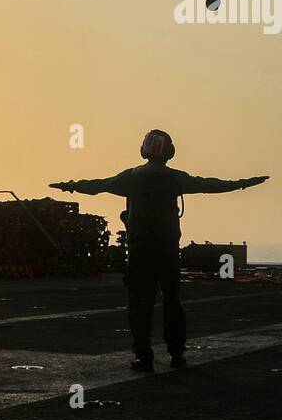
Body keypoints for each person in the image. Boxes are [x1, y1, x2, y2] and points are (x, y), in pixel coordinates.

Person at [51, 130, 268, 372]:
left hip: (139, 251)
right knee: (172, 302)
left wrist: (70, 186)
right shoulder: (174, 178)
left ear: (144, 151)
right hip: (167, 250)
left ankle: (144, 357)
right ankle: (177, 354)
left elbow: (98, 186)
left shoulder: (131, 177)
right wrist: (241, 184)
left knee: (140, 304)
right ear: (169, 153)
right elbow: (209, 185)